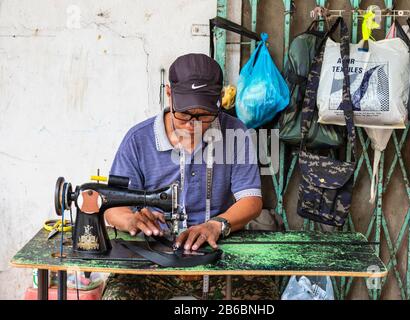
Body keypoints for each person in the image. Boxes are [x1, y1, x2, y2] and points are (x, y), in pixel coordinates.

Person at [102, 53, 279, 300]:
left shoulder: (235, 133)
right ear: (169, 94)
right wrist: (131, 221)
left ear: (219, 100)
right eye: (184, 115)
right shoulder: (138, 140)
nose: (192, 124)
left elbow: (251, 201)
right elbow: (112, 207)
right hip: (153, 258)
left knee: (262, 298)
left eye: (204, 115)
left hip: (218, 255)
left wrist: (216, 225)